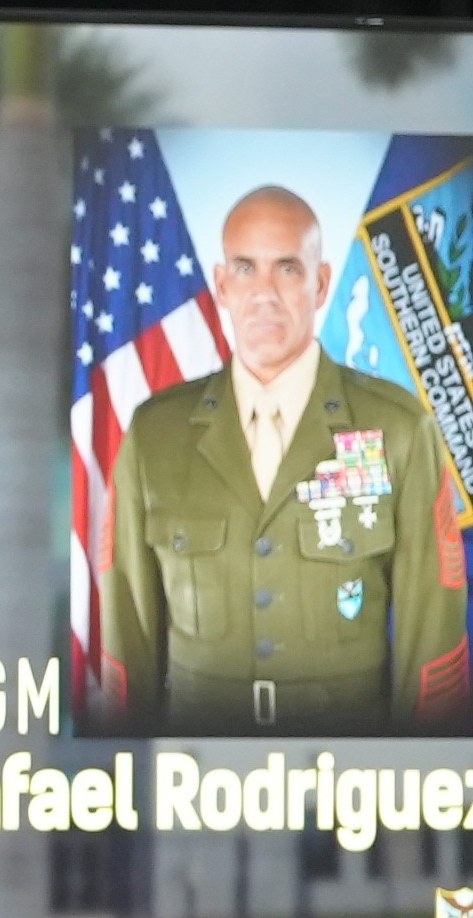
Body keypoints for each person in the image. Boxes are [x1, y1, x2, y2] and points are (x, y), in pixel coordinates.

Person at [103, 184, 467, 734]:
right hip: (198, 772)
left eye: (288, 269)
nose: (265, 293)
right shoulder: (156, 436)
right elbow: (127, 635)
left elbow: (429, 640)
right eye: (246, 269)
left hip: (347, 770)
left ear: (320, 285)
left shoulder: (396, 428)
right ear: (221, 285)